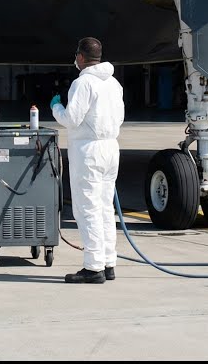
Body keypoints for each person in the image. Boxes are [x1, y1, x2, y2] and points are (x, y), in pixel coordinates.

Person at [51, 36, 124, 284]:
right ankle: (108, 262)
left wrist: (55, 108)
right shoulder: (114, 84)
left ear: (81, 57)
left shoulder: (83, 84)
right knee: (105, 207)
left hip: (88, 150)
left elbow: (71, 119)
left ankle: (93, 268)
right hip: (111, 147)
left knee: (87, 208)